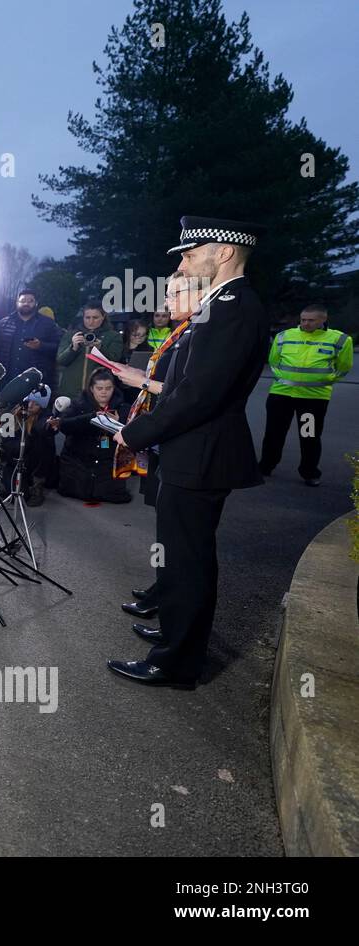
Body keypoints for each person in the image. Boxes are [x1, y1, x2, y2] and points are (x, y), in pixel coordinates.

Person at [110, 216, 270, 688]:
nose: (182, 263)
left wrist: (136, 434)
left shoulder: (234, 307)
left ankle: (175, 662)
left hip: (201, 454)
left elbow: (199, 394)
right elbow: (187, 386)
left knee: (189, 560)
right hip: (191, 451)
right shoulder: (219, 305)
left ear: (223, 253)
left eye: (188, 253)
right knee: (181, 558)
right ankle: (174, 636)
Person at [110, 274, 201, 619]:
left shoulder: (199, 333)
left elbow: (188, 394)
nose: (166, 303)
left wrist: (142, 381)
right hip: (163, 439)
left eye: (174, 294)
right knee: (164, 524)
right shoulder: (183, 332)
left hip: (180, 442)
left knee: (180, 537)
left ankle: (172, 605)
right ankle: (163, 588)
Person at [259, 303, 353, 486]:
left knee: (308, 435)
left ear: (323, 320)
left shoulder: (339, 339)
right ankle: (265, 466)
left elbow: (344, 367)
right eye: (303, 320)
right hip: (281, 395)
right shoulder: (284, 336)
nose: (306, 323)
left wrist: (326, 381)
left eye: (311, 320)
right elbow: (274, 361)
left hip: (312, 398)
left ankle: (309, 472)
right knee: (274, 434)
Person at [55, 368, 132, 504]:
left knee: (112, 494)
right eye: (99, 388)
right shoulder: (78, 404)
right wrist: (91, 418)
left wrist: (117, 424)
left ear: (114, 388)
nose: (104, 392)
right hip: (78, 460)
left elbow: (133, 436)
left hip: (107, 462)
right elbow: (64, 426)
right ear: (91, 388)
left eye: (108, 388)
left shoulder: (123, 407)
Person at [0, 385, 59, 506]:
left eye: (35, 403)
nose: (30, 405)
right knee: (17, 497)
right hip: (14, 463)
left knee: (45, 441)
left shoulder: (44, 416)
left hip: (33, 463)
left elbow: (44, 426)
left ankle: (37, 485)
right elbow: (6, 443)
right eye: (29, 401)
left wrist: (49, 428)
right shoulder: (11, 415)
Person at [0, 289, 63, 388]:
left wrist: (41, 346)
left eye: (30, 301)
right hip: (7, 381)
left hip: (36, 382)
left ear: (36, 303)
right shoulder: (4, 323)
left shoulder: (48, 324)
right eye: (23, 300)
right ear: (17, 303)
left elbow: (59, 348)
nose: (26, 303)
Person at [54, 300, 123, 402]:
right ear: (83, 318)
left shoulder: (113, 336)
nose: (91, 321)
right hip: (70, 393)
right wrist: (73, 348)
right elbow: (61, 360)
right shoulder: (71, 335)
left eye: (95, 318)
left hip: (97, 394)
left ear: (103, 317)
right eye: (87, 317)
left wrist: (100, 348)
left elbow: (115, 362)